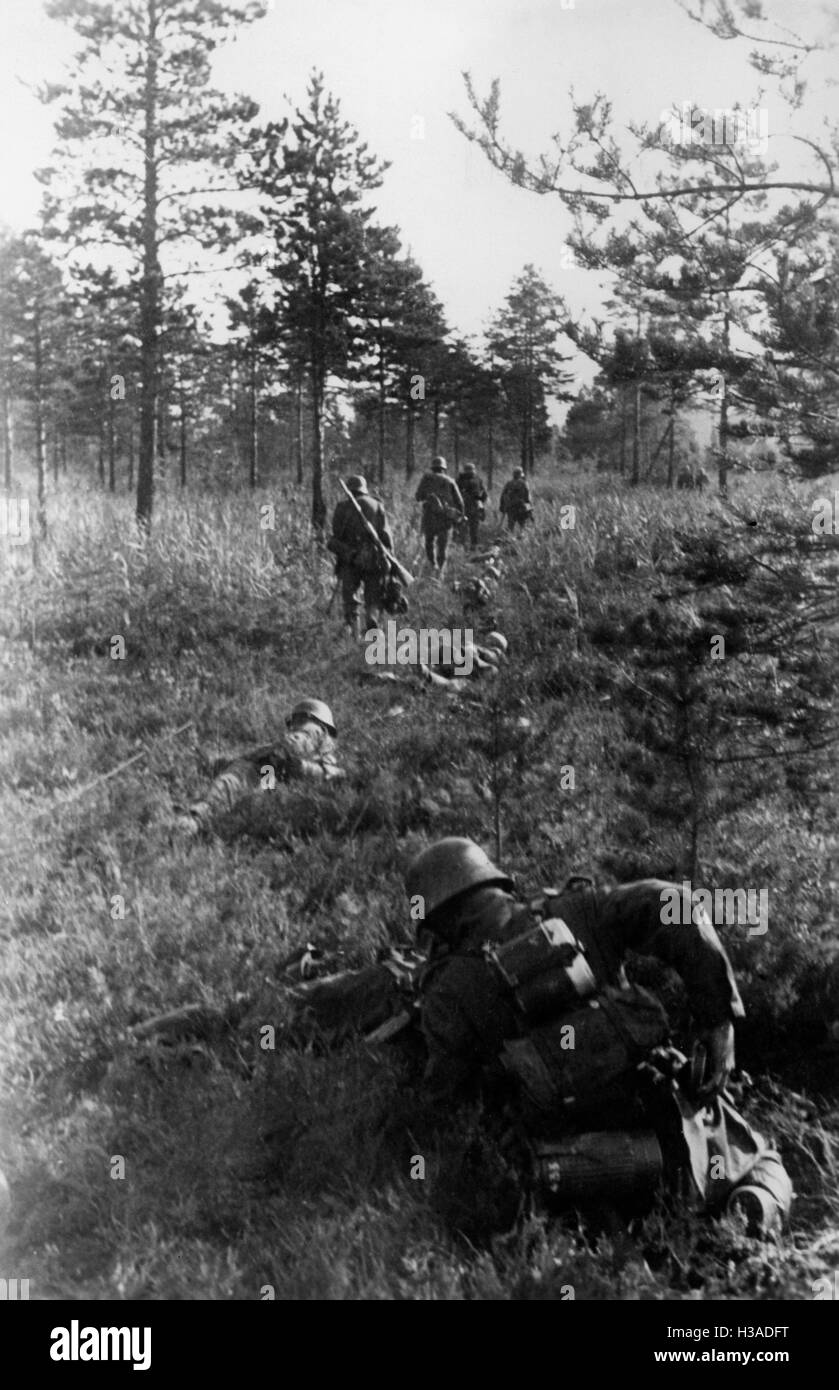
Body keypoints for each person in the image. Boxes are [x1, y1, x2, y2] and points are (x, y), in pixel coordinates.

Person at [404, 837, 792, 1236]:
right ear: (493, 884)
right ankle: (749, 1215)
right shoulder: (578, 910)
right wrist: (719, 1021)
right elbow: (676, 904)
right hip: (667, 1130)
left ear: (438, 917)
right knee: (763, 1163)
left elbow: (448, 1103)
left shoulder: (446, 995)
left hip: (571, 1168)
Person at [176, 699, 343, 836]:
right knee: (255, 796)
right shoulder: (323, 754)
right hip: (270, 772)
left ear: (320, 728)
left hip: (267, 771)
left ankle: (195, 820)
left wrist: (300, 766)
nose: (295, 727)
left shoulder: (310, 732)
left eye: (300, 721)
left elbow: (296, 749)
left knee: (231, 787)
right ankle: (200, 821)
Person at [329, 475, 395, 639]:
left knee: (350, 597)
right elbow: (386, 536)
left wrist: (347, 553)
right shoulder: (377, 505)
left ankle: (353, 631)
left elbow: (336, 535)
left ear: (349, 489)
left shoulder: (342, 507)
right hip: (374, 558)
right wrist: (390, 559)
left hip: (349, 558)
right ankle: (372, 621)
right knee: (373, 595)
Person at [415, 456, 465, 573]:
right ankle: (440, 571)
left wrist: (428, 497)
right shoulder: (450, 481)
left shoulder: (426, 479)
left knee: (429, 543)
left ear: (433, 468)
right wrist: (461, 516)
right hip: (445, 518)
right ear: (444, 468)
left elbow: (418, 497)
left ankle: (433, 565)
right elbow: (460, 502)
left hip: (429, 517)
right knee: (442, 546)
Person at [455, 462, 488, 549]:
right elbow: (484, 494)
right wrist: (481, 502)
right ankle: (469, 545)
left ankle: (467, 545)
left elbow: (484, 493)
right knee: (470, 526)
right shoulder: (476, 479)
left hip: (467, 506)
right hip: (469, 506)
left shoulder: (460, 480)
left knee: (469, 526)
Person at [499, 467, 533, 534]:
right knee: (522, 526)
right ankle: (520, 540)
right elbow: (527, 498)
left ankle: (509, 540)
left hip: (510, 508)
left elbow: (502, 496)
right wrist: (530, 509)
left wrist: (502, 507)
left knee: (510, 526)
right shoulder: (524, 483)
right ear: (520, 475)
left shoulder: (508, 484)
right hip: (521, 508)